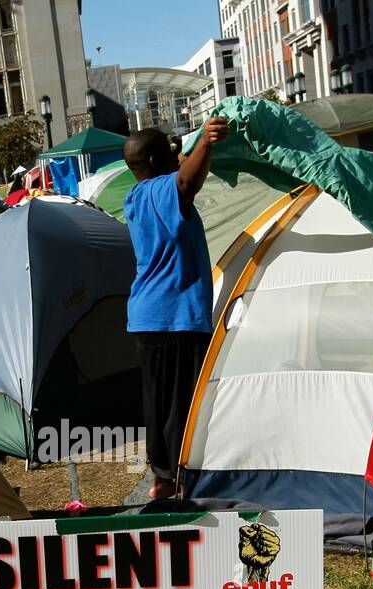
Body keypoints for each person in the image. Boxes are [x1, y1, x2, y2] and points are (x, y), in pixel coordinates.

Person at [122, 118, 229, 499]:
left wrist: (193, 148)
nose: (177, 153)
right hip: (174, 317)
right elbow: (185, 183)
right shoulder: (159, 191)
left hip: (151, 317)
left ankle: (163, 477)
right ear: (154, 160)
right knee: (182, 405)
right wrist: (207, 143)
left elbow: (181, 171)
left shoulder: (137, 196)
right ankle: (174, 481)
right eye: (169, 150)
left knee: (161, 404)